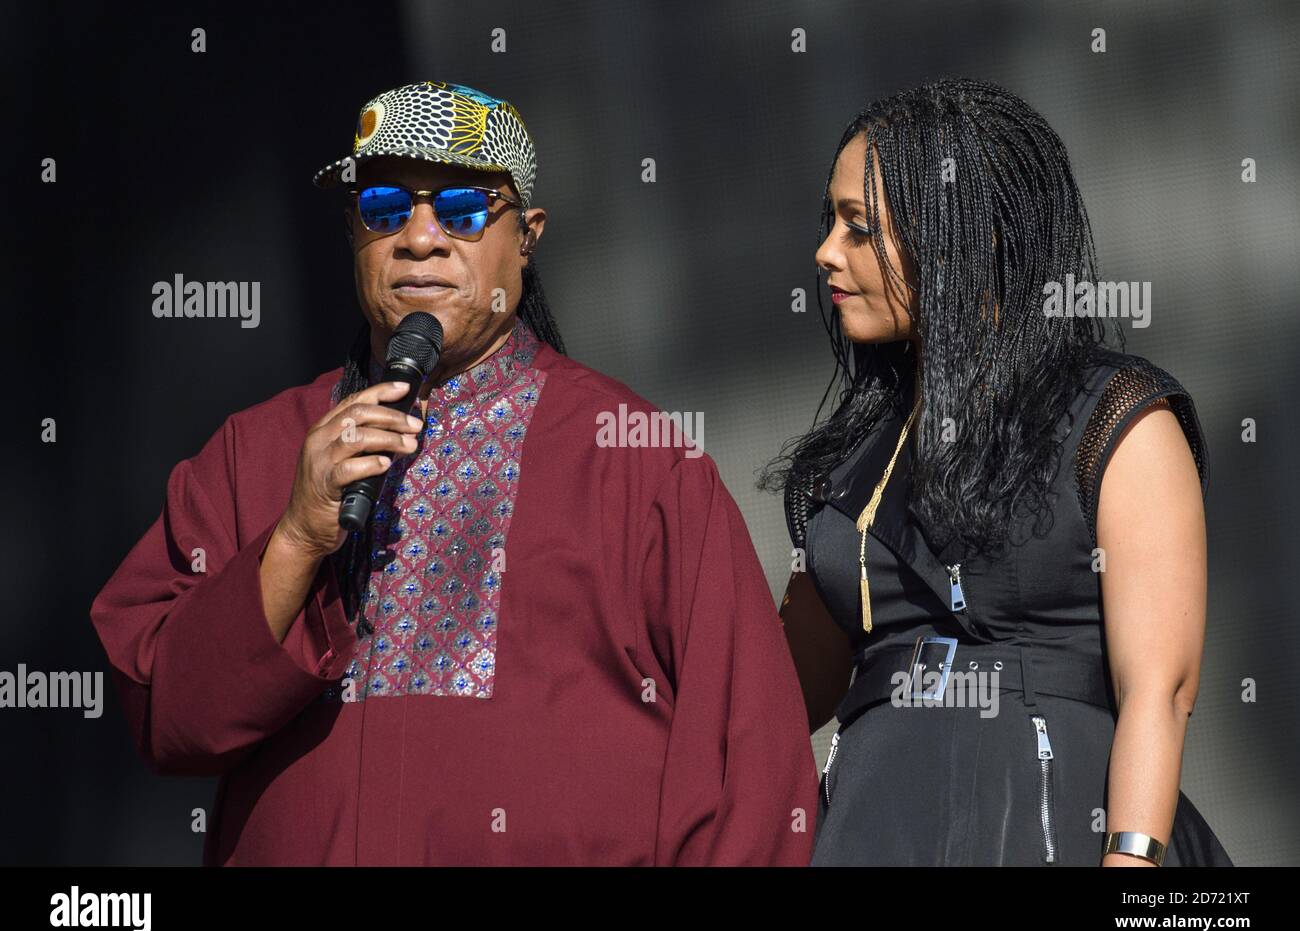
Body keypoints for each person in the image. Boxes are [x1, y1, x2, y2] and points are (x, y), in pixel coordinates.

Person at [90, 80, 816, 866]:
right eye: (385, 208)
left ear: (527, 236)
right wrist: (296, 536)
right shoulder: (255, 452)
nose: (420, 239)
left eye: (463, 210)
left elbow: (754, 764)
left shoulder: (636, 459)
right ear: (351, 230)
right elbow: (169, 713)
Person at [762, 77, 1233, 866]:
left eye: (857, 227)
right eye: (829, 222)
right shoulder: (850, 464)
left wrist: (1130, 860)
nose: (824, 254)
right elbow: (776, 703)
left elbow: (1163, 688)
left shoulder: (1117, 418)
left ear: (959, 238)